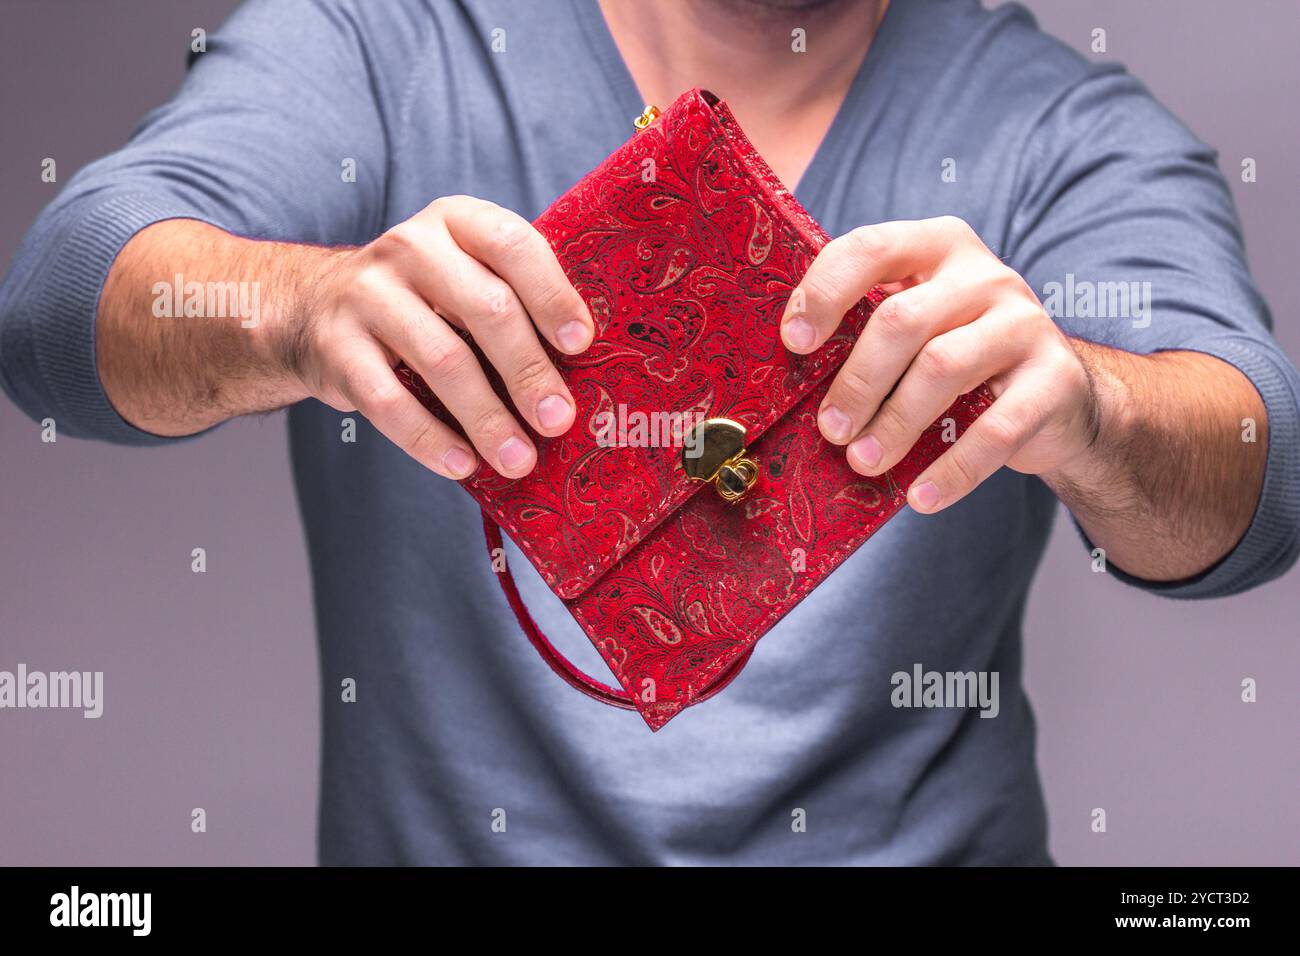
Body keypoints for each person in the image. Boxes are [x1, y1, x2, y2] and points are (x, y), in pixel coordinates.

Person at [1, 0, 1295, 865]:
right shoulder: (380, 35)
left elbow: (1261, 480)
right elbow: (57, 308)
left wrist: (1094, 404)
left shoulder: (1063, 125)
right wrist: (301, 307)